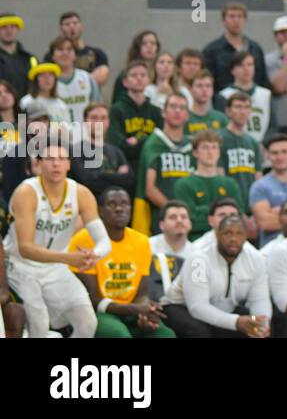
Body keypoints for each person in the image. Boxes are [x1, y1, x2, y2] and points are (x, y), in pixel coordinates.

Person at [3, 141, 106, 338]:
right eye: (50, 159)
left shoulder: (82, 193)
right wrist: (69, 258)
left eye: (61, 159)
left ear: (69, 164)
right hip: (20, 265)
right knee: (39, 325)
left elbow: (104, 243)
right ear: (38, 164)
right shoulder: (26, 192)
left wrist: (94, 255)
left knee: (88, 323)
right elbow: (26, 248)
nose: (56, 164)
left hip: (55, 266)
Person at [69, 187, 174, 338]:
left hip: (131, 309)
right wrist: (133, 309)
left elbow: (142, 292)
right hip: (98, 311)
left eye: (125, 204)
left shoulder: (142, 241)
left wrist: (144, 312)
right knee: (118, 334)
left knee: (165, 334)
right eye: (112, 204)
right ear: (100, 211)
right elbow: (91, 298)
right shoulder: (82, 240)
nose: (119, 209)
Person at [161, 214, 272, 338]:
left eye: (239, 233)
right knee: (200, 332)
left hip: (222, 309)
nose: (233, 239)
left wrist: (262, 324)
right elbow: (197, 307)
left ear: (246, 236)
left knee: (256, 330)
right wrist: (236, 322)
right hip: (179, 307)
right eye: (228, 233)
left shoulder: (256, 259)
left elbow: (259, 299)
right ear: (217, 235)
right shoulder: (198, 260)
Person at [136, 93, 194, 235]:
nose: (177, 111)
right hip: (161, 219)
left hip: (190, 219)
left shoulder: (193, 146)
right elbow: (150, 189)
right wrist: (174, 213)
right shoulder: (154, 143)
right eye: (173, 107)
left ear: (187, 115)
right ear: (163, 112)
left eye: (182, 108)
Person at [174, 130, 247, 239]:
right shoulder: (183, 184)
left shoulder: (230, 184)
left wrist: (202, 210)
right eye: (205, 147)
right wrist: (223, 217)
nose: (210, 152)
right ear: (195, 152)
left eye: (214, 147)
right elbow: (189, 221)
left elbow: (238, 217)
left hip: (228, 241)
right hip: (195, 241)